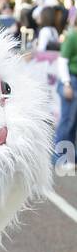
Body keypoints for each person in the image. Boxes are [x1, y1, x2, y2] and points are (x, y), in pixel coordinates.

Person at [53, 20, 77, 171]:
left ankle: (70, 159)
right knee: (68, 121)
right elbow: (62, 61)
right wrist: (67, 83)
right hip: (71, 80)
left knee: (72, 123)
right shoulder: (73, 37)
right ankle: (60, 159)